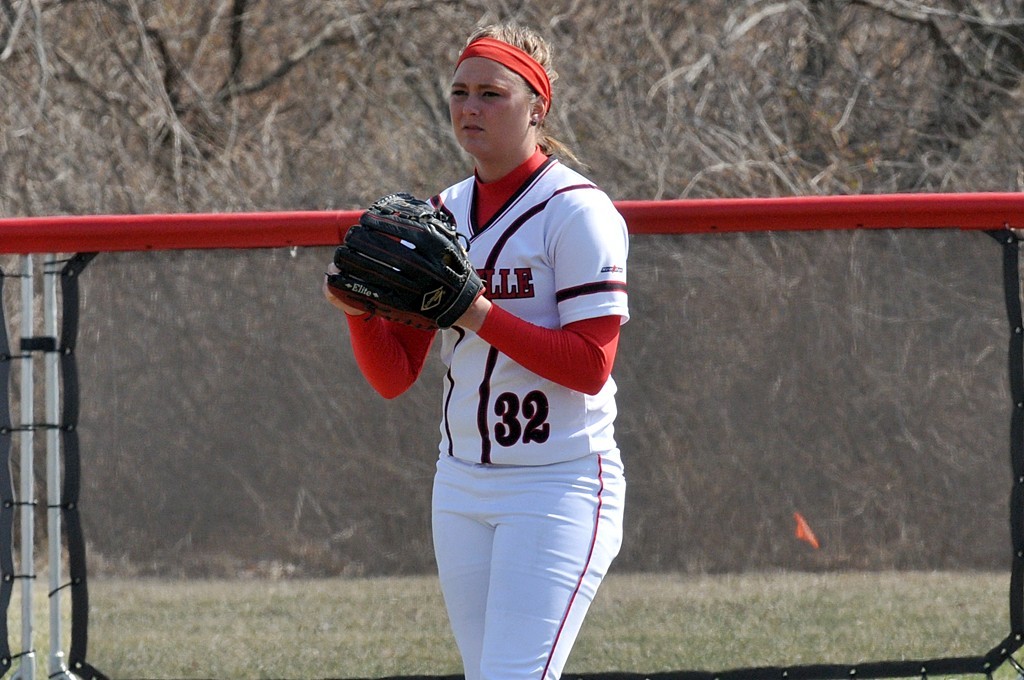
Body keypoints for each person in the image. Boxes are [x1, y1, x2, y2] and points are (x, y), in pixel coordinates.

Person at [324, 21, 629, 680]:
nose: (470, 107)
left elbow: (590, 365)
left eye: (492, 93)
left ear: (537, 108)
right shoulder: (441, 215)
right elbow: (395, 377)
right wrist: (359, 315)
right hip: (460, 482)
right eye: (460, 92)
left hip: (557, 482)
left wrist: (475, 312)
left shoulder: (578, 211)